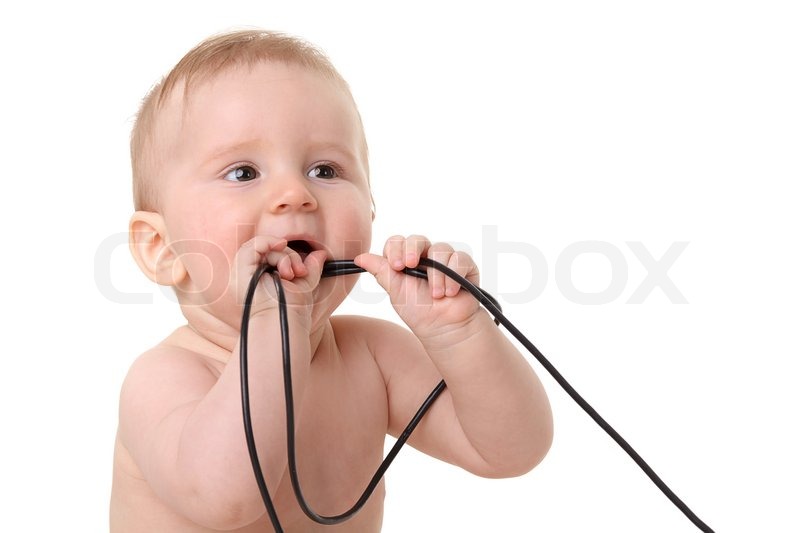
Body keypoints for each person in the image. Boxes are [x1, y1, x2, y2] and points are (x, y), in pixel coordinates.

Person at [111, 29, 553, 532]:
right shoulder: (163, 378)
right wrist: (271, 326)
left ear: (369, 209)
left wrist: (460, 334)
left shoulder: (370, 355)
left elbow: (510, 450)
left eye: (325, 168)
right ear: (161, 248)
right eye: (243, 173)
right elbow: (225, 498)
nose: (295, 194)